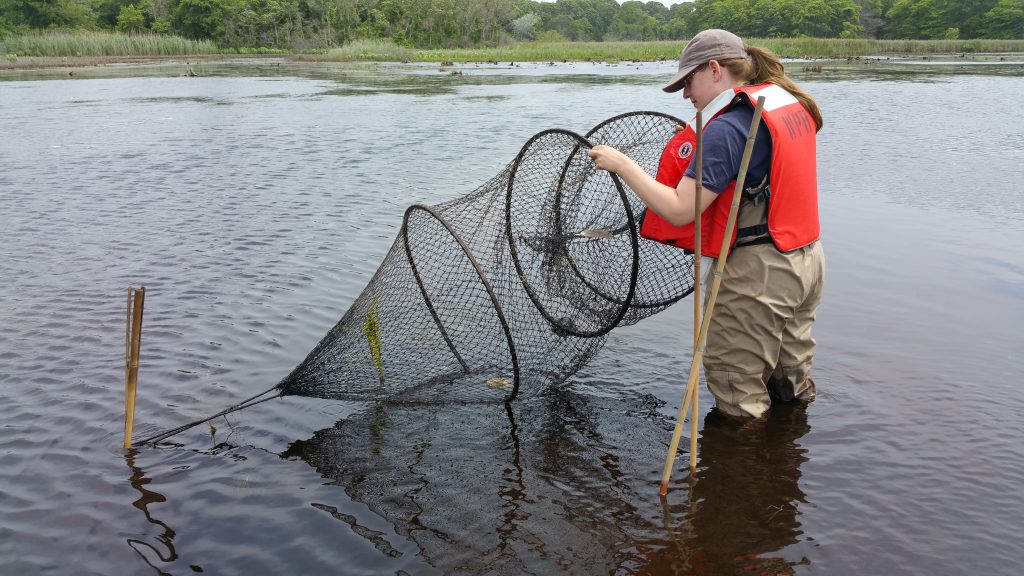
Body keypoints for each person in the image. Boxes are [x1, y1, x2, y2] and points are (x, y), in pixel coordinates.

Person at [588, 29, 825, 419]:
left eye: (688, 81)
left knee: (738, 392)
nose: (685, 95)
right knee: (790, 380)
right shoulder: (784, 104)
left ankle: (739, 475)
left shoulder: (728, 128)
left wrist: (623, 165)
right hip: (807, 259)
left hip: (762, 272)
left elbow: (682, 209)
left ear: (715, 69)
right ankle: (789, 461)